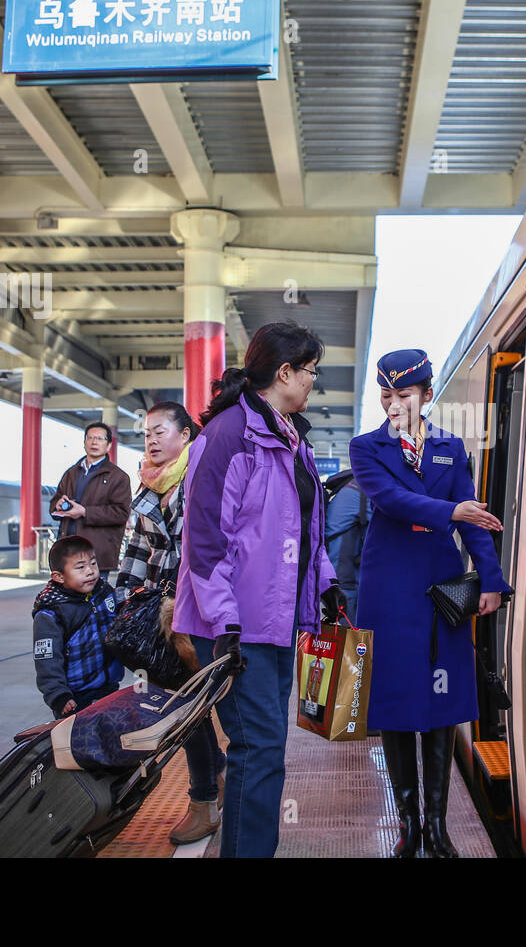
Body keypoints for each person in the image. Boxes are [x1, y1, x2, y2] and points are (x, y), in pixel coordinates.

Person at [173, 320, 345, 858]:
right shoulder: (229, 436)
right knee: (259, 747)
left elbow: (303, 530)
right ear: (284, 371)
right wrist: (224, 622)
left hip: (273, 623)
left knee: (264, 748)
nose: (314, 381)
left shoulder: (293, 440)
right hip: (235, 627)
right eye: (310, 371)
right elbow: (204, 539)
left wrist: (327, 587)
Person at [349, 349, 513, 858]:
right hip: (391, 590)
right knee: (395, 705)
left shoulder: (449, 447)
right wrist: (452, 509)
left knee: (443, 705)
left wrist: (491, 579)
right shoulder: (367, 448)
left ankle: (437, 828)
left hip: (443, 590)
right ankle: (408, 826)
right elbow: (391, 501)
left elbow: (474, 521)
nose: (393, 404)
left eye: (404, 395)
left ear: (425, 395)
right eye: (386, 396)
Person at [114, 401, 224, 845]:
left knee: (196, 705)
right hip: (162, 616)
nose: (152, 440)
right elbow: (134, 554)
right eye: (146, 434)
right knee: (184, 705)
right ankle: (211, 782)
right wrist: (124, 605)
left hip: (202, 611)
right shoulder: (146, 488)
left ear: (185, 435)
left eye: (161, 431)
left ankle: (208, 798)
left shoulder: (200, 478)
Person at [32, 534, 123, 719]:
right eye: (80, 567)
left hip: (109, 688)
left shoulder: (104, 593)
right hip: (74, 697)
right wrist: (58, 695)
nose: (90, 571)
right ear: (58, 576)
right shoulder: (51, 613)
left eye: (93, 563)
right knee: (79, 744)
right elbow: (47, 660)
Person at [49, 422, 132, 583]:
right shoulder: (71, 473)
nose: (94, 442)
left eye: (100, 438)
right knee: (67, 604)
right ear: (84, 442)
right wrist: (58, 505)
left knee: (94, 604)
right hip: (68, 554)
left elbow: (121, 514)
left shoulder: (118, 476)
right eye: (91, 438)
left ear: (108, 445)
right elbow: (53, 505)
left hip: (96, 557)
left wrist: (84, 512)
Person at [323, 468, 372, 623]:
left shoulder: (349, 486)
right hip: (345, 571)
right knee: (348, 633)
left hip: (334, 565)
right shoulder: (363, 490)